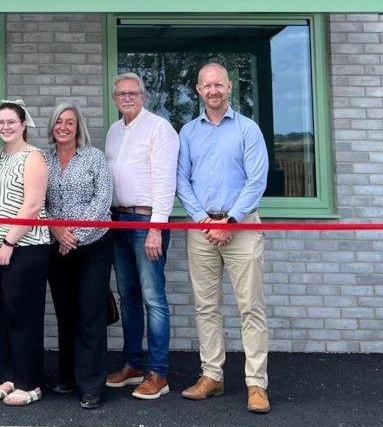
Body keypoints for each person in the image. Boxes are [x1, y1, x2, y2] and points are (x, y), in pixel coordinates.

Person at [176, 62, 271, 414]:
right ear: (198, 90)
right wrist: (204, 220)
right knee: (206, 306)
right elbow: (181, 180)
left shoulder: (248, 129)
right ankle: (212, 375)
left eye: (219, 84)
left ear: (229, 87)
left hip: (241, 226)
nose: (213, 90)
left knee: (251, 307)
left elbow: (257, 180)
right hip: (201, 229)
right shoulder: (188, 132)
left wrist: (230, 220)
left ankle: (256, 383)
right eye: (207, 85)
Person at [103, 73, 180, 400]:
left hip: (147, 220)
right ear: (114, 98)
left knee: (153, 298)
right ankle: (133, 364)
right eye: (121, 93)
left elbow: (166, 180)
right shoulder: (114, 131)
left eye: (132, 93)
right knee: (128, 297)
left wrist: (156, 228)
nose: (127, 97)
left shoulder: (159, 128)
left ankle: (158, 372)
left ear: (143, 96)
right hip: (119, 220)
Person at [43, 102, 114, 410]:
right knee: (65, 311)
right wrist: (57, 231)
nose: (64, 127)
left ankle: (92, 386)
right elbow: (36, 201)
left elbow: (103, 200)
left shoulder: (94, 157)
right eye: (59, 121)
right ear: (52, 126)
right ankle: (68, 376)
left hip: (93, 245)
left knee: (89, 313)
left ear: (77, 127)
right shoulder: (43, 158)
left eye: (69, 122)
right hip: (57, 245)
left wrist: (74, 237)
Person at [0, 101, 51, 407]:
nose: (5, 127)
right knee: (2, 315)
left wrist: (9, 242)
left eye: (11, 121)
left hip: (24, 246)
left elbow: (33, 205)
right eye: (1, 122)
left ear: (23, 124)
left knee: (24, 315)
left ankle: (30, 383)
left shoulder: (33, 156)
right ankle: (7, 376)